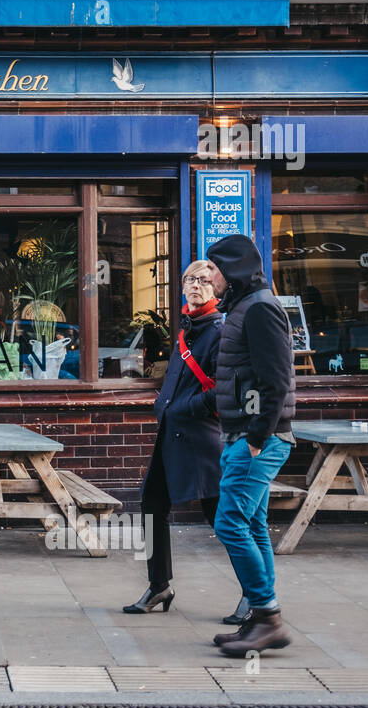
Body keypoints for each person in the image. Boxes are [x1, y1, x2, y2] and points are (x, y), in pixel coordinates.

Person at [207, 234, 297, 656]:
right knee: (254, 525)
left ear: (234, 270)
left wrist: (258, 437)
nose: (210, 278)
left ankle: (268, 616)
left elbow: (275, 381)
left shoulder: (260, 308)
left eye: (215, 269)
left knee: (229, 524)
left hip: (257, 438)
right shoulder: (247, 306)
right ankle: (262, 621)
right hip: (245, 435)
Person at [123, 260, 229, 616]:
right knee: (151, 503)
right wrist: (164, 406)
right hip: (172, 436)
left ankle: (256, 595)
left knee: (223, 520)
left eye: (203, 280)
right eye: (190, 279)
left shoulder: (220, 330)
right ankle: (159, 587)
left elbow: (225, 391)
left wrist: (184, 406)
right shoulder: (189, 327)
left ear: (216, 287)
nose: (195, 285)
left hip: (202, 441)